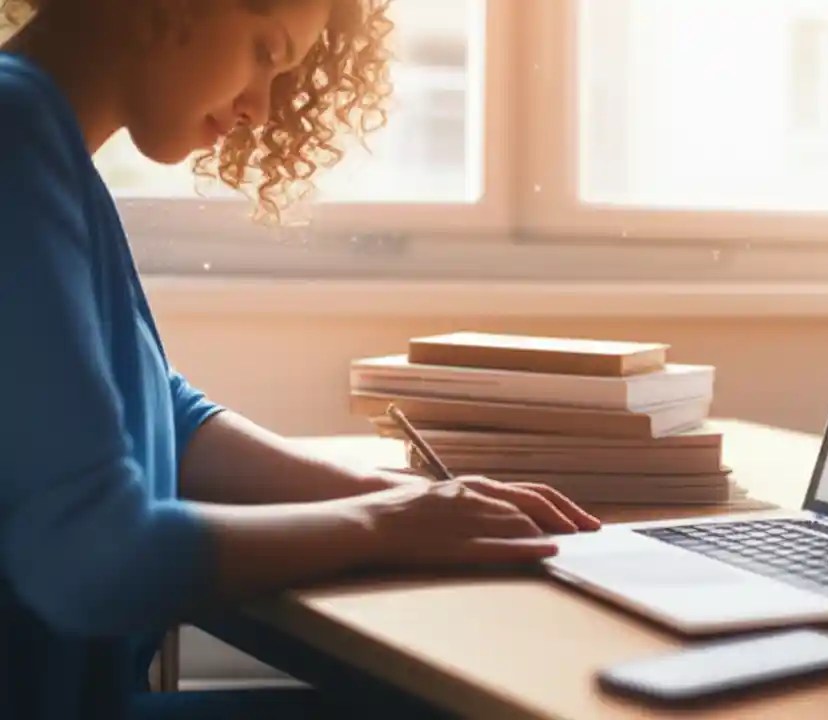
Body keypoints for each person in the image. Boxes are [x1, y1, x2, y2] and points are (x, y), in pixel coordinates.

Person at [0, 1, 602, 718]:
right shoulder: (14, 135)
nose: (261, 106)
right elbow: (90, 561)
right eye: (265, 50)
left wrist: (385, 495)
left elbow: (163, 413)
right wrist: (383, 528)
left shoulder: (45, 137)